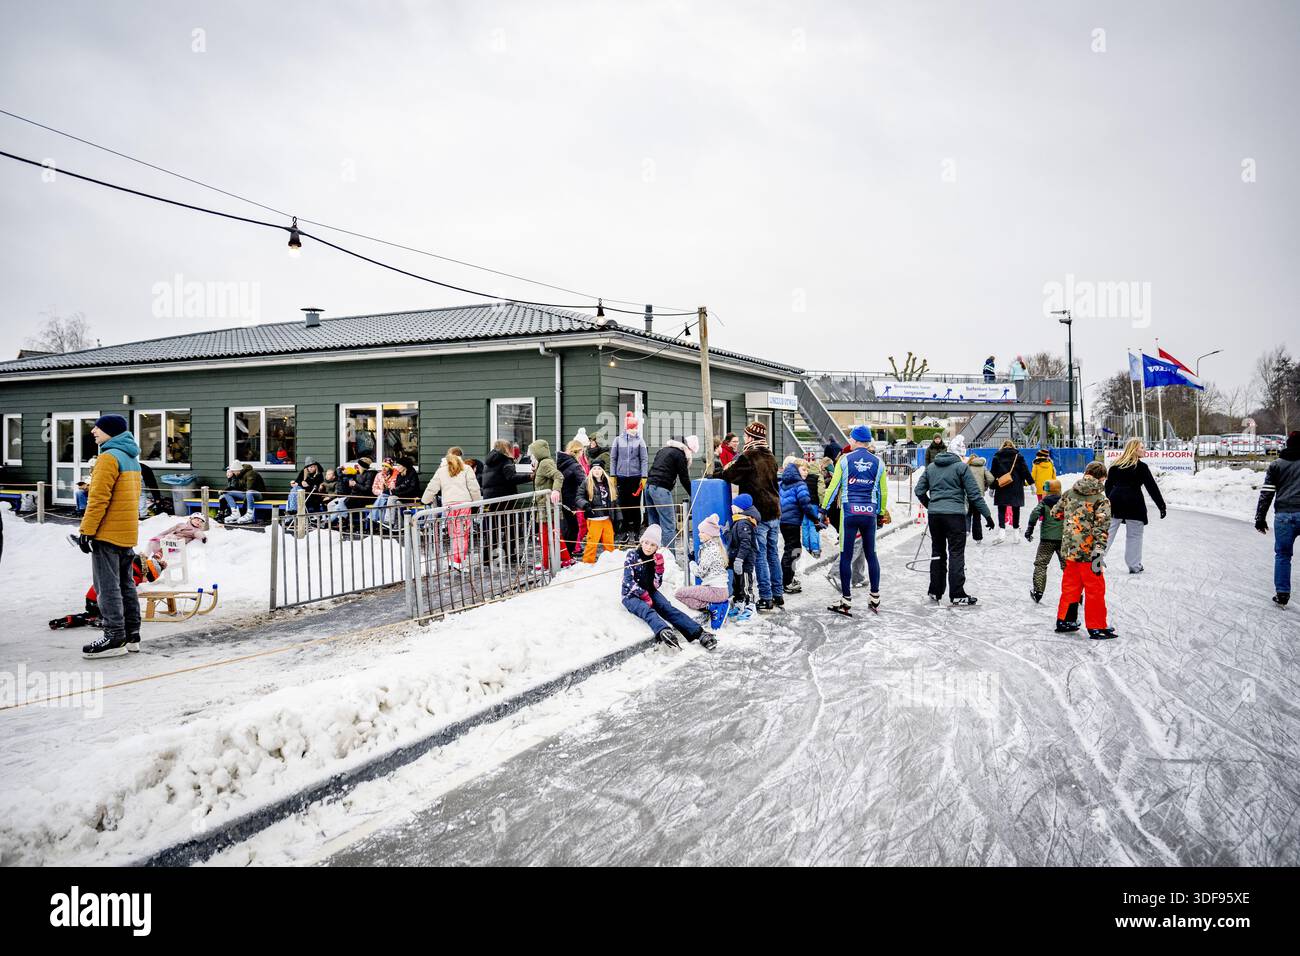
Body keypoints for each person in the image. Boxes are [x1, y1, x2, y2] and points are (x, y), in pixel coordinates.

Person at [72, 415, 144, 659]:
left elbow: (98, 500)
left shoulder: (108, 457)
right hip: (126, 531)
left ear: (110, 432)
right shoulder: (131, 458)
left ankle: (114, 636)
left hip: (107, 532)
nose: (93, 431)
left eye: (98, 428)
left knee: (107, 587)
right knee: (126, 584)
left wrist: (86, 530)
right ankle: (132, 634)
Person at [915, 433, 993, 605]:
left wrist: (931, 505)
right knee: (956, 553)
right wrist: (987, 515)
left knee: (938, 552)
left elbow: (919, 490)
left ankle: (935, 590)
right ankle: (957, 593)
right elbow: (974, 494)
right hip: (955, 516)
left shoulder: (931, 467)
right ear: (960, 454)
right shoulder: (961, 468)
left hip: (935, 517)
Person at [822, 424, 887, 615]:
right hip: (869, 512)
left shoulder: (844, 460)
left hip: (850, 512)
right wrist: (880, 513)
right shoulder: (878, 462)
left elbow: (833, 487)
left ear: (856, 440)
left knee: (846, 555)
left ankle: (846, 599)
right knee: (871, 554)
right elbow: (882, 491)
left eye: (850, 438)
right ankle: (875, 596)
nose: (848, 440)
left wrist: (824, 509)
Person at [722, 421, 783, 611]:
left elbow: (729, 474)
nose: (744, 439)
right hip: (774, 511)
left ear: (751, 437)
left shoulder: (748, 456)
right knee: (773, 554)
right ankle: (778, 593)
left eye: (746, 435)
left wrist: (713, 474)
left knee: (760, 556)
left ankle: (766, 597)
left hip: (759, 514)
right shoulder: (770, 455)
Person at [1053, 461, 1116, 639]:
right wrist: (1098, 552)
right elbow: (1101, 529)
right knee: (1094, 589)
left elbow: (1055, 513)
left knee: (1070, 587)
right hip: (1089, 553)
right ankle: (1096, 626)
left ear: (1086, 473)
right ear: (1102, 478)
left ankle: (1065, 620)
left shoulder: (1069, 493)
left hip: (1070, 551)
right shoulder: (1101, 499)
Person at [621, 524, 706, 648]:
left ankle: (698, 633)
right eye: (646, 543)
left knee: (667, 608)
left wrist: (659, 568)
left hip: (650, 591)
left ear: (657, 547)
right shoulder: (632, 555)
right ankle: (664, 631)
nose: (648, 547)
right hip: (631, 595)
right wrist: (644, 595)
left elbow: (656, 584)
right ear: (642, 541)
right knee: (647, 611)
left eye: (653, 545)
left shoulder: (655, 558)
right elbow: (628, 581)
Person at [50, 551, 165, 631]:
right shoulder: (133, 577)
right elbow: (123, 595)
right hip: (99, 599)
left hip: (94, 596)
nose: (146, 582)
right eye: (149, 579)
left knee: (95, 613)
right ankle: (94, 619)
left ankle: (73, 619)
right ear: (146, 573)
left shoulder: (130, 565)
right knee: (97, 616)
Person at [1104, 437, 1167, 574]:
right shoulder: (1142, 467)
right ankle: (1134, 565)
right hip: (1134, 503)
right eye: (1142, 447)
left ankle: (1097, 559)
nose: (1145, 450)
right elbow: (1152, 487)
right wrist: (1161, 506)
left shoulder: (1115, 465)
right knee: (1134, 536)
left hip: (1116, 501)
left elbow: (1108, 485)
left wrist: (1111, 498)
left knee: (1108, 531)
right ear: (1134, 450)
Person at [1256, 430, 1300, 606]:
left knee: (1283, 555)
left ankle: (1282, 594)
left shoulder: (1276, 465)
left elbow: (1267, 493)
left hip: (1284, 517)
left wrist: (1260, 517)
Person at [421, 452, 482, 569]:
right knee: (463, 534)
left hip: (448, 506)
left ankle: (455, 559)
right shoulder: (466, 468)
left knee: (453, 534)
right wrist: (477, 502)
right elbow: (474, 487)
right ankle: (457, 561)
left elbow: (432, 487)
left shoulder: (441, 470)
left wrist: (425, 500)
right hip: (464, 505)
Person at [674, 513, 727, 645]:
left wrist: (691, 562)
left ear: (710, 534)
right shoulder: (714, 547)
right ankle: (713, 604)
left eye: (702, 532)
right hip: (718, 590)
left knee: (680, 594)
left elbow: (700, 573)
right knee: (691, 594)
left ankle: (713, 605)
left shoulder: (710, 551)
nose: (699, 534)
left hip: (715, 591)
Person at [645, 434, 698, 549]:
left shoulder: (662, 451)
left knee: (654, 525)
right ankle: (670, 557)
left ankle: (651, 553)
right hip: (661, 490)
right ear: (686, 447)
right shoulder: (679, 454)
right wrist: (694, 495)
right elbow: (684, 478)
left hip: (648, 487)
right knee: (668, 525)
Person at [779, 456, 822, 593]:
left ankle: (787, 578)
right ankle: (786, 582)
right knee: (792, 552)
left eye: (807, 470)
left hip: (784, 522)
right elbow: (806, 505)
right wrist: (816, 520)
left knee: (792, 550)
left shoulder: (783, 483)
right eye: (803, 469)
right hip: (792, 522)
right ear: (796, 469)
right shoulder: (800, 485)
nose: (806, 472)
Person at [527, 438, 573, 568]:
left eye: (533, 453)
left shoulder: (545, 463)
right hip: (544, 505)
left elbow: (558, 476)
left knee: (545, 535)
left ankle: (547, 563)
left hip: (547, 506)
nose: (531, 456)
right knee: (552, 533)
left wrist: (555, 491)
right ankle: (565, 559)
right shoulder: (542, 463)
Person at [610, 412, 648, 544]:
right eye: (631, 427)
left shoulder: (640, 440)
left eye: (635, 427)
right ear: (626, 427)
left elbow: (644, 459)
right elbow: (613, 458)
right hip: (621, 478)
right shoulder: (617, 440)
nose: (633, 430)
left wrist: (644, 476)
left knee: (635, 505)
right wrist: (613, 475)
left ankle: (637, 533)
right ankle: (625, 532)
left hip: (635, 478)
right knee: (624, 505)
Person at [1025, 479, 1065, 603]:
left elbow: (1034, 514)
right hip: (1064, 539)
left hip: (1047, 539)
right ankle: (1076, 593)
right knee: (1067, 566)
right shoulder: (1066, 502)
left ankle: (1038, 592)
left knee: (1041, 564)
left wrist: (1029, 530)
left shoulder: (1044, 503)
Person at [989, 440, 1032, 541]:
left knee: (1001, 509)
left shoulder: (997, 457)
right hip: (1016, 487)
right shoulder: (1018, 457)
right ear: (1012, 446)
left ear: (1002, 447)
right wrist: (1031, 483)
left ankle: (1002, 532)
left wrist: (991, 488)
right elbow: (1025, 471)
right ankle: (1016, 534)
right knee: (1016, 509)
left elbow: (993, 474)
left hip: (1002, 486)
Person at [576, 462, 618, 563]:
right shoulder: (587, 482)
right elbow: (579, 497)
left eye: (599, 469)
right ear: (591, 471)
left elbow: (615, 501)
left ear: (602, 471)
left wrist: (618, 517)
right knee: (592, 543)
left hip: (607, 519)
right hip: (594, 519)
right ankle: (587, 563)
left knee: (609, 542)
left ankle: (610, 562)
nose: (597, 471)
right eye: (594, 469)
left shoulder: (608, 482)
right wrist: (585, 505)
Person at [727, 493, 758, 621]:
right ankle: (740, 603)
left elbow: (746, 544)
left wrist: (739, 559)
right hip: (737, 560)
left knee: (745, 585)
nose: (731, 507)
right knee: (737, 584)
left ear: (741, 508)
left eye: (734, 506)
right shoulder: (738, 521)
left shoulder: (744, 523)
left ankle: (750, 607)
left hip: (745, 560)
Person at [802, 457, 828, 558]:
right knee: (814, 525)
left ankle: (806, 547)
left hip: (804, 504)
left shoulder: (804, 477)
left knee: (805, 526)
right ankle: (815, 549)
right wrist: (823, 505)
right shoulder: (819, 477)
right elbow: (821, 492)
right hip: (814, 504)